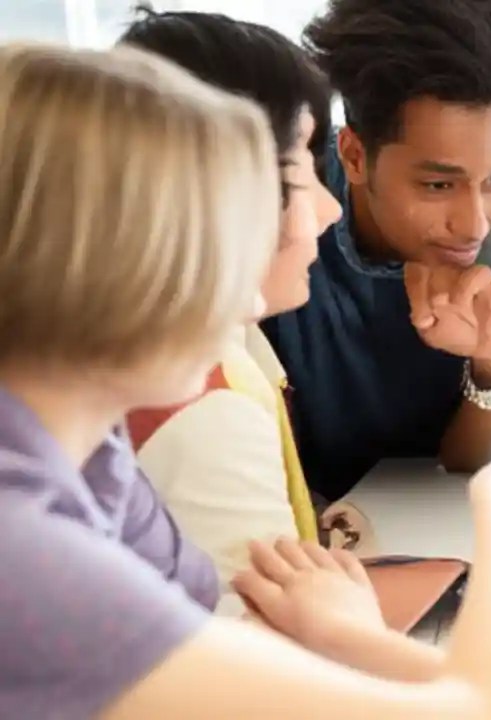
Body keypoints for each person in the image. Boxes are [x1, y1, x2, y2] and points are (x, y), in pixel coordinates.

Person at [0, 41, 491, 719]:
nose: (326, 212)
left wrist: (345, 633)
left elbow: (242, 654)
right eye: (275, 188)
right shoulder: (23, 554)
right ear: (118, 237)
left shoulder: (88, 457)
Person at [261, 0, 491, 503]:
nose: (474, 223)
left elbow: (463, 471)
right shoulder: (290, 208)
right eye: (437, 185)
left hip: (437, 530)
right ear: (355, 156)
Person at [118, 9, 343, 615]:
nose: (329, 211)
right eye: (303, 173)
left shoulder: (214, 343)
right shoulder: (203, 403)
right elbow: (278, 669)